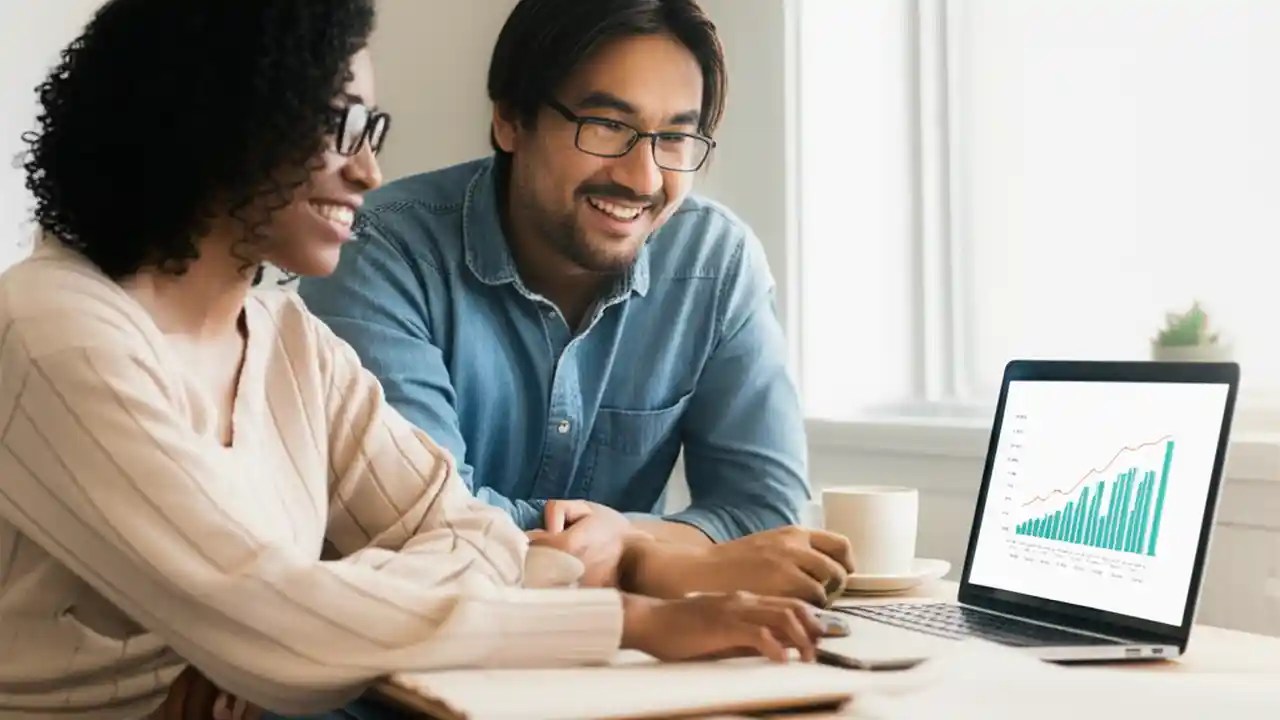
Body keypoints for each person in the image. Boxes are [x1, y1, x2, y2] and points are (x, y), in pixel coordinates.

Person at [0, 2, 827, 718]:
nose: (368, 169)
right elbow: (266, 612)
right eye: (337, 127)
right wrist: (632, 617)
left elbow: (465, 533)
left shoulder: (288, 339)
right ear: (213, 117)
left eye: (372, 129)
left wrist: (284, 631)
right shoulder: (54, 330)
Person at [297, 0, 854, 604]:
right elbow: (426, 524)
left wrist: (631, 544)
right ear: (510, 119)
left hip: (627, 666)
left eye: (674, 137)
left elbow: (766, 515)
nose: (643, 178)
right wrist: (649, 559)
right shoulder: (382, 247)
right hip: (406, 666)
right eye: (607, 126)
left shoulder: (714, 264)